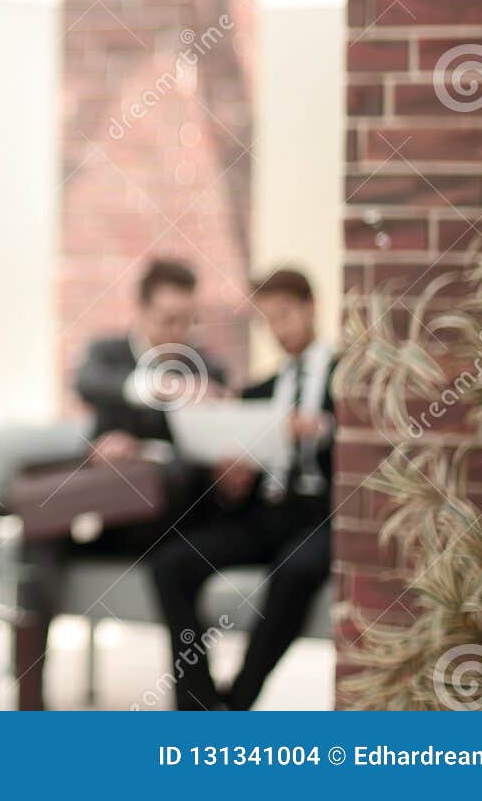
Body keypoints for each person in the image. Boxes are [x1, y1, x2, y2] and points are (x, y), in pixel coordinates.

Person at [15, 257, 227, 710]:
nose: (178, 331)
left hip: (163, 524)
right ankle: (28, 705)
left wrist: (148, 450)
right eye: (167, 319)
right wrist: (112, 441)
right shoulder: (107, 355)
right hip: (100, 517)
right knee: (36, 539)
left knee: (171, 481)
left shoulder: (207, 368)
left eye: (187, 320)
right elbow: (89, 382)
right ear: (142, 311)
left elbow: (207, 455)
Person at [148, 267, 336, 710]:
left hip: (321, 515)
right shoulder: (259, 392)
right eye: (268, 321)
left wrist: (321, 431)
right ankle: (197, 704)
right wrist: (230, 479)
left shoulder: (348, 381)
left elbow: (366, 450)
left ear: (311, 307)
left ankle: (237, 703)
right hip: (266, 513)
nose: (279, 330)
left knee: (295, 571)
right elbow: (238, 477)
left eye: (286, 315)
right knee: (170, 565)